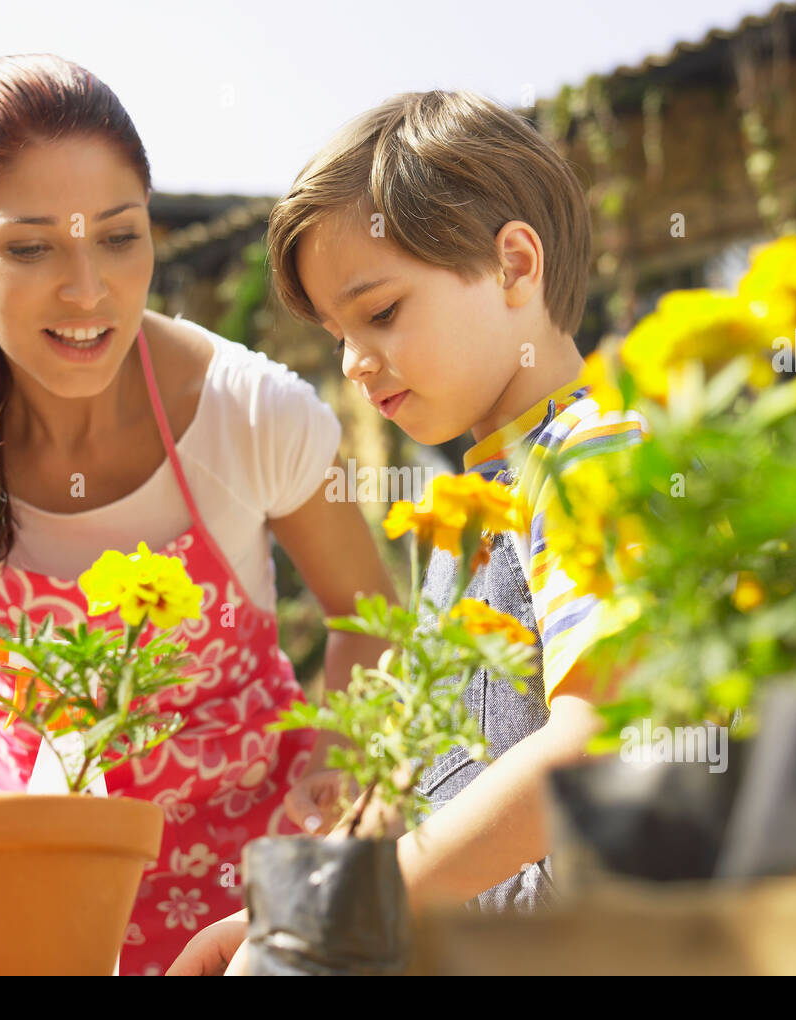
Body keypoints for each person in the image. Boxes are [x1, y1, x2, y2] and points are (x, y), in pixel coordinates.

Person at [0, 54, 390, 976]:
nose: (87, 291)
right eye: (31, 246)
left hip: (246, 898)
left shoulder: (251, 413)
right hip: (14, 893)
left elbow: (373, 623)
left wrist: (335, 778)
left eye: (120, 237)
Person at [170, 88, 646, 974]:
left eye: (381, 312)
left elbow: (602, 733)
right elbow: (423, 793)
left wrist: (350, 904)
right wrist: (294, 909)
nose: (353, 361)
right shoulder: (467, 510)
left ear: (513, 265)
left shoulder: (590, 459)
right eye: (336, 332)